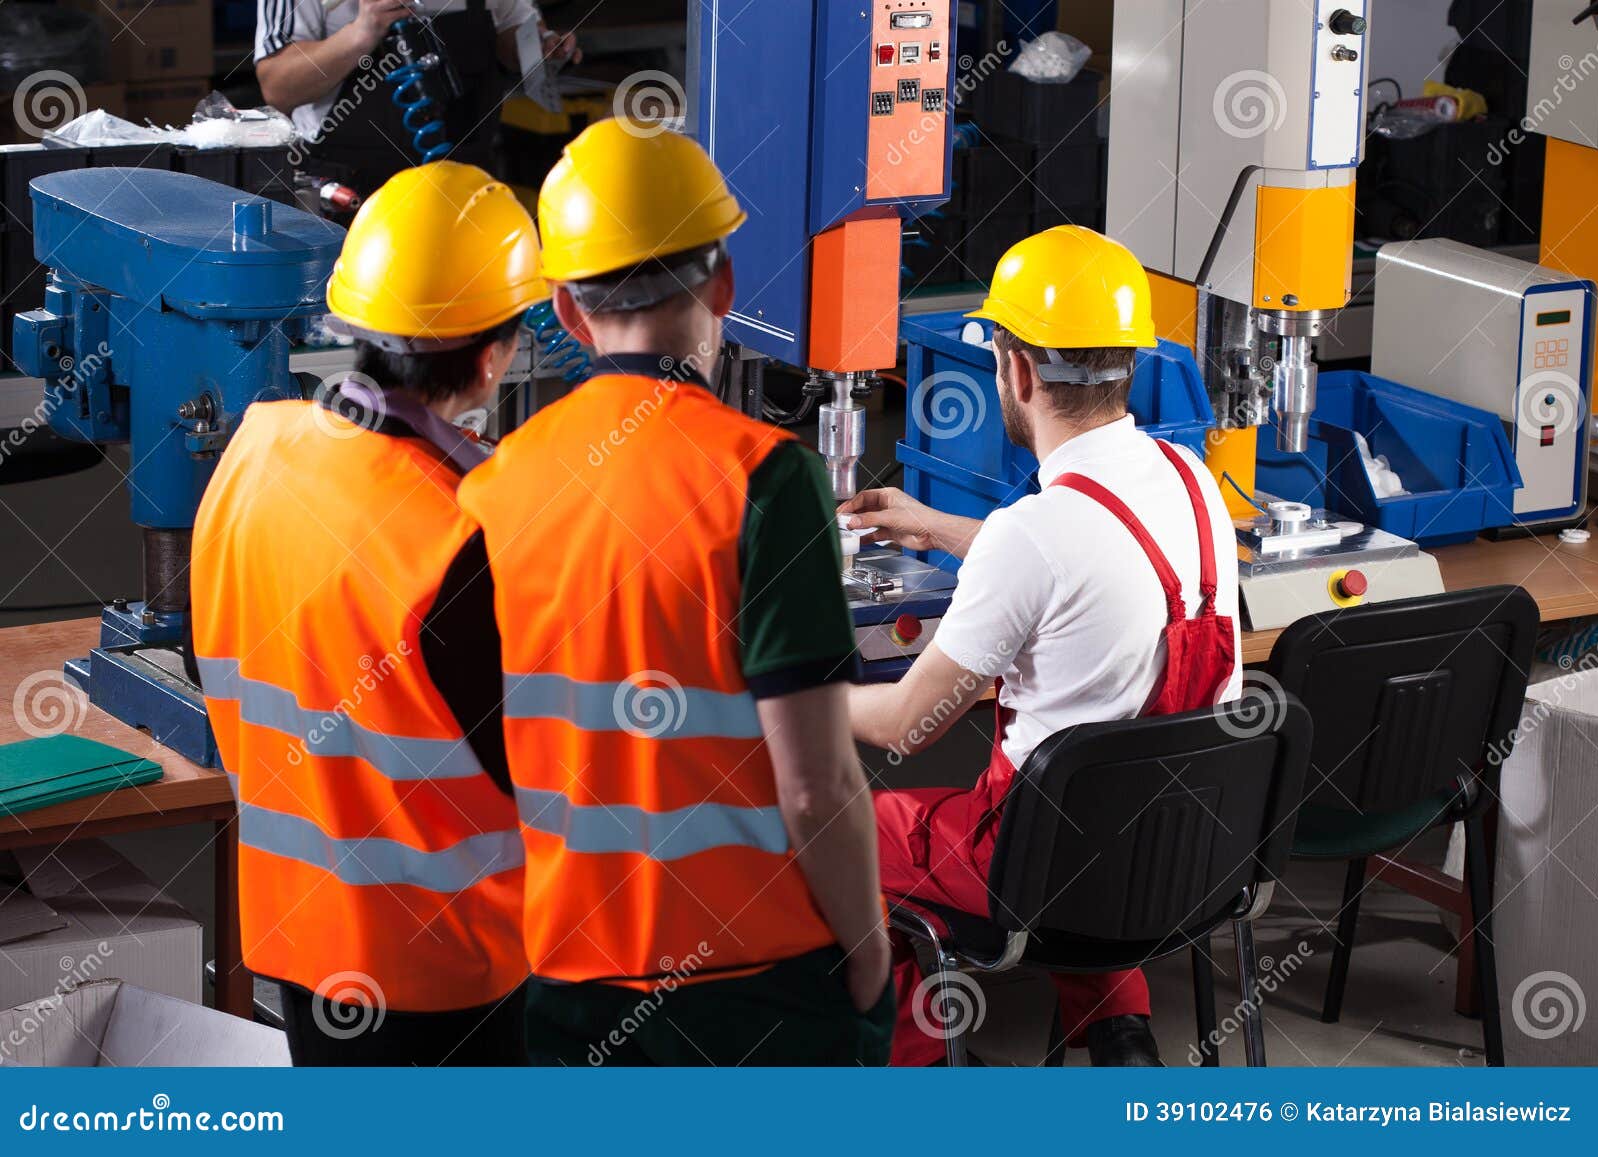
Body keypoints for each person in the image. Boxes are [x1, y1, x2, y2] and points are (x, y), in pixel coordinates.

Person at [456, 119, 894, 1066]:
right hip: (762, 985)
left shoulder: (495, 484)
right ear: (723, 285)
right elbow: (817, 784)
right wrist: (869, 948)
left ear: (568, 312)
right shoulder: (767, 478)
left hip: (570, 978)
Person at [841, 226, 1244, 1066]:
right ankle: (1120, 1035)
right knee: (1100, 799)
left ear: (1016, 371)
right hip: (1186, 846)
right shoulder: (1193, 479)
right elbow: (1088, 558)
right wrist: (939, 528)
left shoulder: (1034, 532)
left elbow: (907, 726)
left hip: (1044, 866)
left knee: (844, 826)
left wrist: (797, 698)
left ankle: (916, 1067)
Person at [190, 162, 547, 1065]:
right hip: (449, 970)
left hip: (300, 942)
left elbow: (218, 668)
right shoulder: (462, 535)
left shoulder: (255, 451)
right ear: (493, 356)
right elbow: (548, 772)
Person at [255, 0, 579, 197]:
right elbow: (278, 86)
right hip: (352, 193)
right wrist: (362, 33)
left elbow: (515, 30)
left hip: (468, 187)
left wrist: (541, 48)